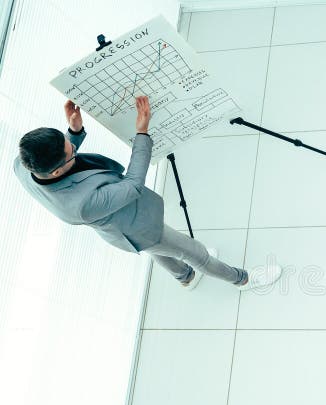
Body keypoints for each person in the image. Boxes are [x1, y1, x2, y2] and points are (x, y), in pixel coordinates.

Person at [14, 98, 281, 291]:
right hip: (136, 226)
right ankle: (243, 280)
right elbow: (132, 186)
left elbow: (65, 151)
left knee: (156, 249)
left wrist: (72, 131)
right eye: (71, 150)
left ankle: (185, 278)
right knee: (195, 252)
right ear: (57, 171)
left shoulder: (24, 162)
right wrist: (142, 132)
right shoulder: (81, 205)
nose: (73, 147)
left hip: (125, 227)